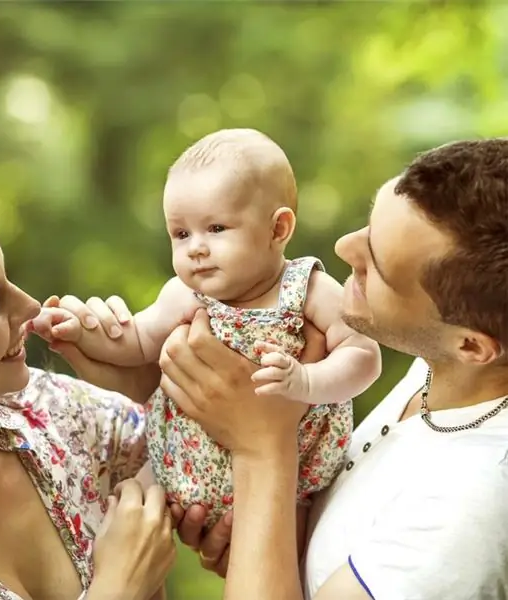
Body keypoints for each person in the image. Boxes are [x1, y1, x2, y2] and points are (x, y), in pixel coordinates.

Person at [53, 139, 508, 599]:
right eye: (368, 228)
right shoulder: (438, 372)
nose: (344, 248)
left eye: (380, 263)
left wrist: (261, 448)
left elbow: (316, 400)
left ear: (471, 345)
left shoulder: (461, 514)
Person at [32, 128, 381, 528]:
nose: (196, 247)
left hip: (292, 482)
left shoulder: (307, 290)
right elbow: (135, 340)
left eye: (216, 229)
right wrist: (78, 331)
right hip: (179, 471)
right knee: (123, 510)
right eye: (181, 234)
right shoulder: (185, 295)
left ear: (278, 229)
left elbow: (363, 355)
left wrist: (306, 380)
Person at [0, 183, 175, 600]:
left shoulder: (52, 413)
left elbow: (220, 441)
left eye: (7, 278)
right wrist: (117, 589)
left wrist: (149, 380)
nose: (31, 306)